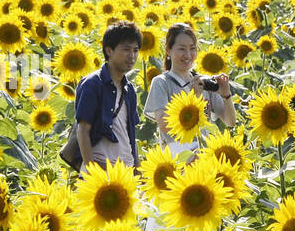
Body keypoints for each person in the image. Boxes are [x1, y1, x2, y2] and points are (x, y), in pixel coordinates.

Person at [144, 22, 235, 160]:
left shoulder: (203, 82)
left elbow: (230, 121)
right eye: (182, 49)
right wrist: (193, 99)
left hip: (206, 156)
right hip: (179, 159)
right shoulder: (161, 83)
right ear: (168, 50)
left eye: (192, 48)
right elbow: (165, 125)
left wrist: (226, 95)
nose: (188, 54)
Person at [75, 20, 141, 175]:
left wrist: (137, 170)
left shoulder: (129, 89)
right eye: (126, 49)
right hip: (100, 170)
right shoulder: (93, 84)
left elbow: (130, 134)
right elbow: (83, 130)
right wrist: (92, 171)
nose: (132, 56)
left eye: (135, 50)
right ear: (109, 50)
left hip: (126, 172)